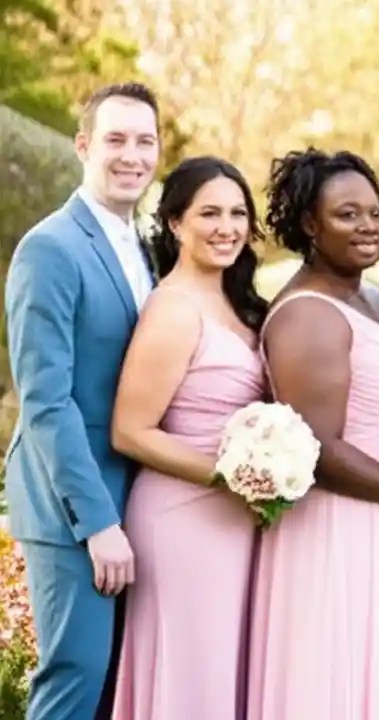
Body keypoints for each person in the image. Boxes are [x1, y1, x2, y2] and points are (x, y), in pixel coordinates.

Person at [246, 148, 379, 720]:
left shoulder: (371, 299)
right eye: (347, 215)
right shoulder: (308, 315)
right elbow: (316, 448)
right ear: (310, 225)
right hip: (346, 529)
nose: (369, 226)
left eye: (376, 211)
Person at [4, 82, 160, 719]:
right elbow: (46, 401)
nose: (132, 155)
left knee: (118, 690)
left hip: (135, 496)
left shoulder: (142, 246)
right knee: (76, 682)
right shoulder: (50, 249)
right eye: (115, 140)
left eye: (145, 141)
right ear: (83, 146)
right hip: (72, 506)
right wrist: (96, 523)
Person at [109, 157, 268, 719]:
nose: (227, 227)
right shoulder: (172, 309)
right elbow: (130, 431)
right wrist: (229, 474)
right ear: (175, 223)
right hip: (183, 519)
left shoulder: (236, 301)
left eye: (237, 213)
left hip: (240, 518)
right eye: (209, 213)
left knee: (229, 671)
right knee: (193, 672)